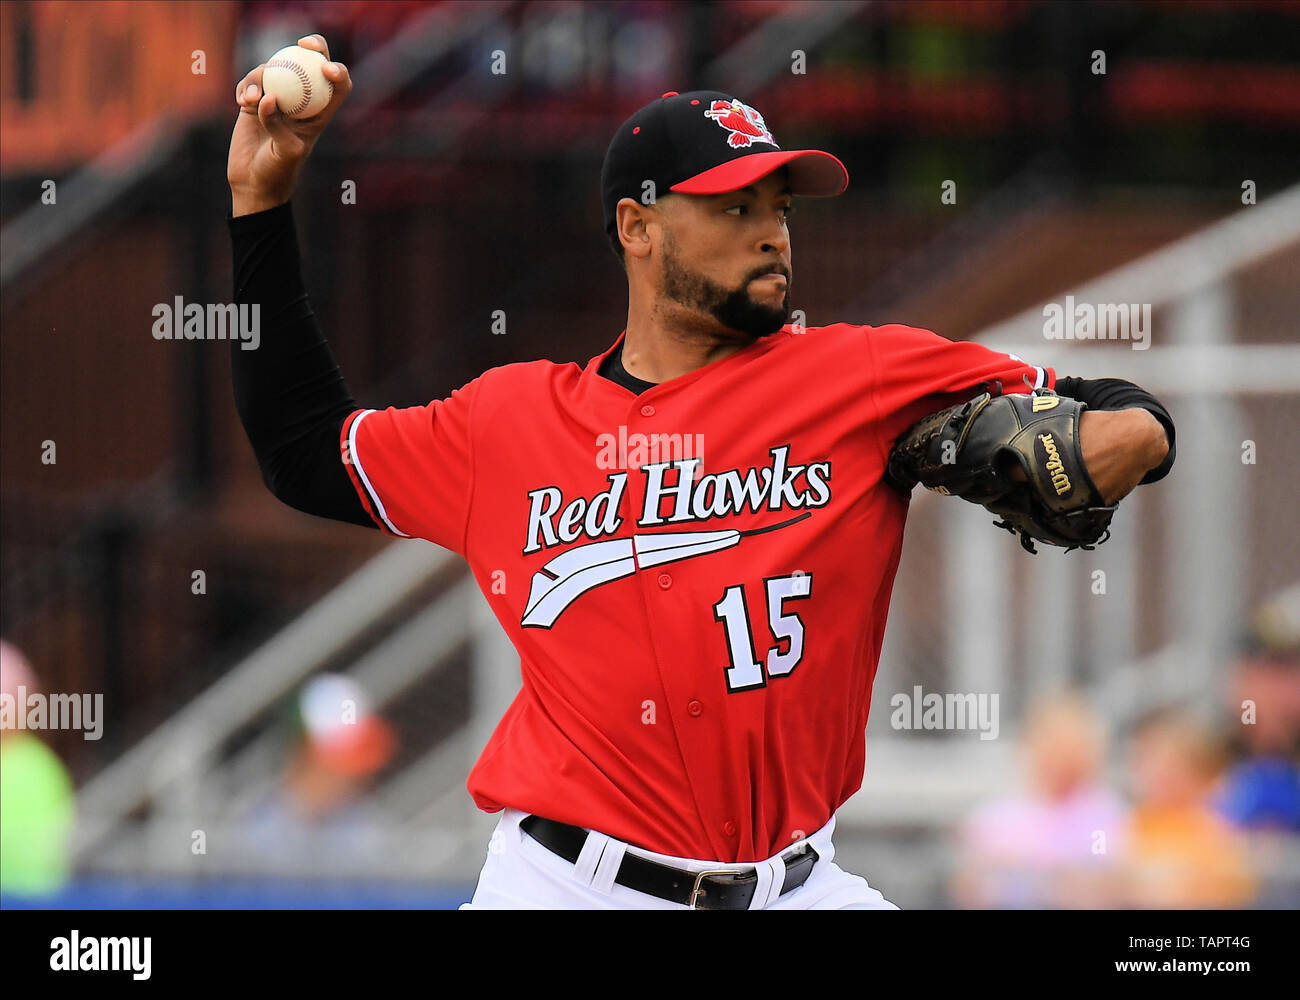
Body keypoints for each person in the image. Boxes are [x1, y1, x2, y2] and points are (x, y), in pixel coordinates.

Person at [226, 35, 1176, 909]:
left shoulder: (860, 377)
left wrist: (1131, 439)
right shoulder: (511, 419)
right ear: (638, 227)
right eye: (734, 206)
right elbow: (306, 452)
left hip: (797, 884)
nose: (772, 232)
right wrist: (262, 208)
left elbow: (1124, 410)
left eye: (778, 206)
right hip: (566, 885)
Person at [951, 695, 1129, 909]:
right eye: (1053, 743)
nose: (1062, 757)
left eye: (1071, 745)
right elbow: (971, 885)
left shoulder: (1107, 815)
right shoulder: (996, 818)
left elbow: (1106, 871)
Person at [1123, 711, 1255, 908]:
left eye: (1172, 772)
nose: (1158, 780)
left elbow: (1238, 886)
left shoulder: (1212, 827)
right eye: (1151, 767)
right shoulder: (1136, 824)